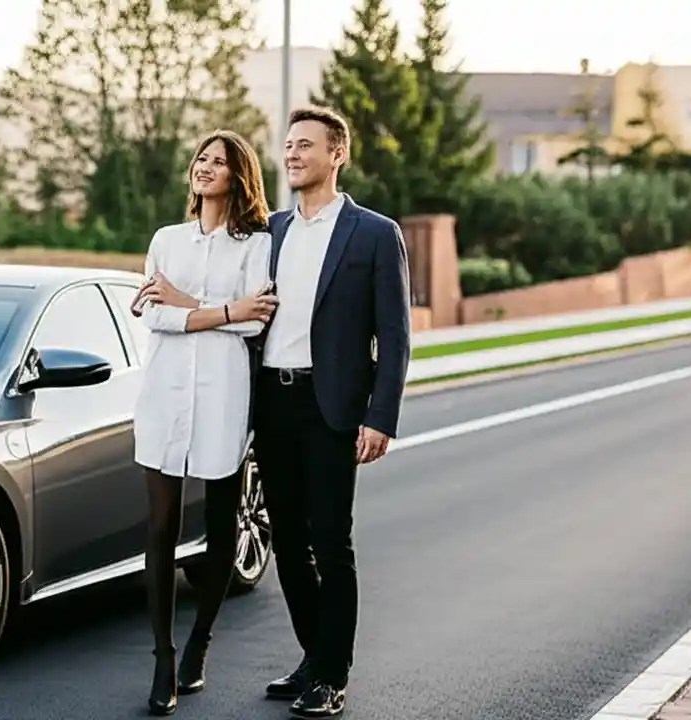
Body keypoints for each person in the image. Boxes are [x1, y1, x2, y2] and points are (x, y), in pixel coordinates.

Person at [253, 106, 411, 718]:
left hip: (332, 406)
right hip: (273, 401)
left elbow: (394, 335)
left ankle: (332, 674)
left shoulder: (374, 233)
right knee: (286, 541)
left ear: (336, 154)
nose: (292, 154)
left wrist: (381, 415)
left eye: (305, 145)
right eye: (289, 145)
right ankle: (313, 657)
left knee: (329, 541)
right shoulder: (270, 230)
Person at [129, 129, 277, 716]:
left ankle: (200, 642)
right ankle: (163, 658)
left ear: (239, 176)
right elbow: (151, 314)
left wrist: (187, 302)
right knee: (161, 528)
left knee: (221, 530)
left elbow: (255, 321)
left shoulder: (256, 245)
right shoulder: (166, 240)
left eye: (219, 161)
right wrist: (223, 309)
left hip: (222, 397)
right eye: (201, 158)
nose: (206, 167)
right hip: (164, 397)